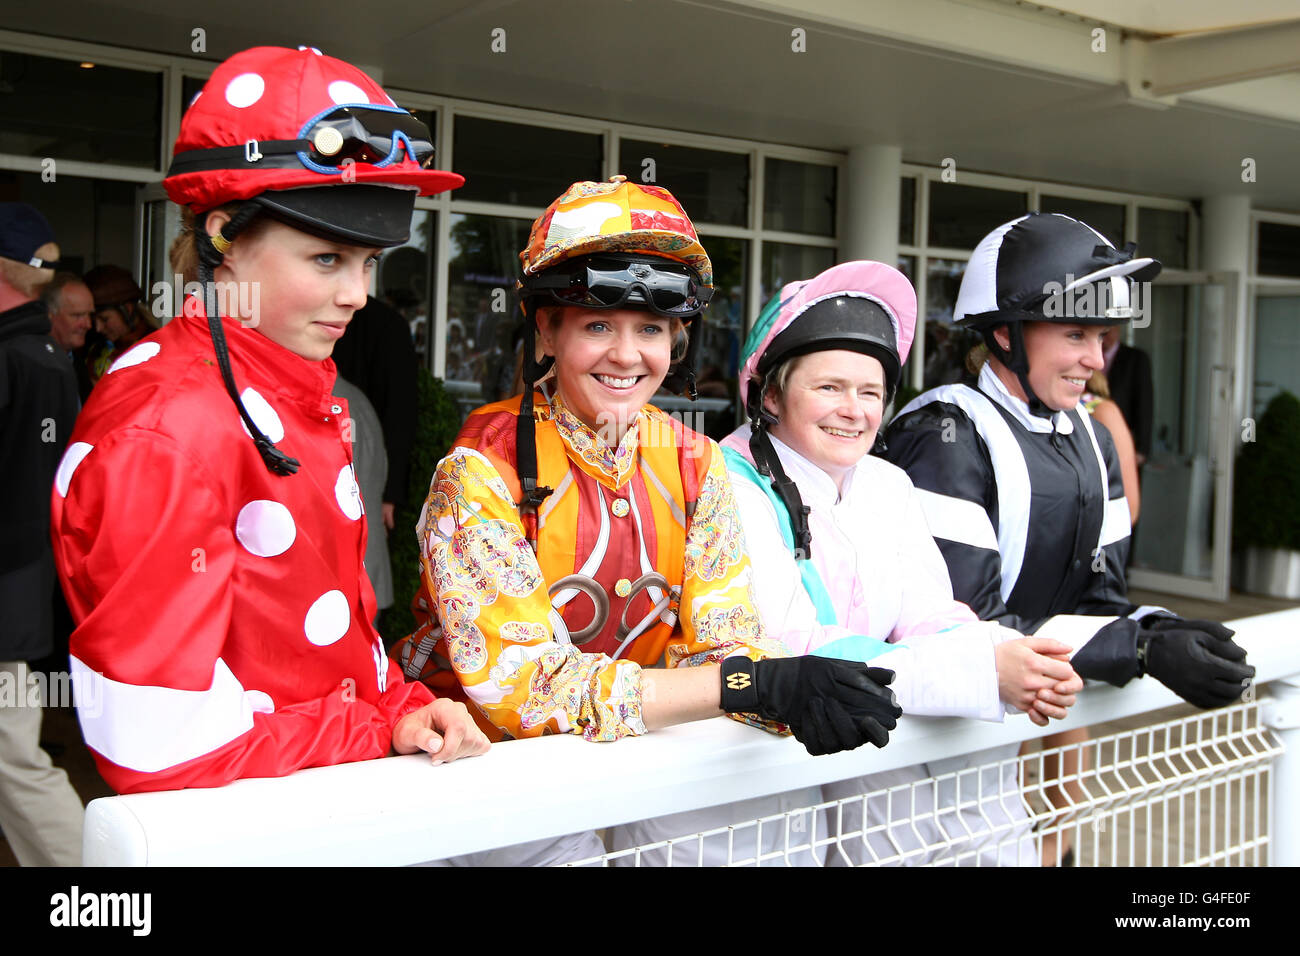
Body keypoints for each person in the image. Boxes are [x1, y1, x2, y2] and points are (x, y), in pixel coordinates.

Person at [395, 177, 902, 865]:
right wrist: (746, 686)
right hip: (488, 781)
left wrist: (790, 684)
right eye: (598, 325)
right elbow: (528, 689)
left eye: (651, 329)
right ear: (546, 330)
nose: (628, 355)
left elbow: (721, 641)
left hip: (636, 766)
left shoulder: (697, 462)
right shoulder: (479, 473)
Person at [49, 45, 489, 795]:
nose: (357, 294)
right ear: (223, 237)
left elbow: (319, 641)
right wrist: (373, 727)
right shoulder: (167, 425)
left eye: (369, 262)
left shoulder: (288, 384)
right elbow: (158, 744)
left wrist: (402, 705)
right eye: (327, 259)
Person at [616, 262, 1083, 866]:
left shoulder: (887, 482)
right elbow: (787, 640)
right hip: (716, 799)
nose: (854, 411)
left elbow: (927, 611)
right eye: (829, 388)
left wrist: (996, 652)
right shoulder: (724, 481)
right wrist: (973, 673)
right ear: (772, 394)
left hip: (827, 784)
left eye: (870, 392)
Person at [881, 213, 1254, 861]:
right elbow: (967, 626)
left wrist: (1159, 630)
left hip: (989, 758)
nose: (1094, 359)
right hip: (906, 760)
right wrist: (1136, 649)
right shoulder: (943, 434)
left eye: (1102, 337)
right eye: (1075, 334)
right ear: (1003, 332)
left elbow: (1099, 604)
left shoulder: (1092, 436)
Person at [0, 202, 85, 865]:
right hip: (18, 594)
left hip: (7, 593)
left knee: (14, 759)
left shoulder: (20, 359)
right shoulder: (44, 358)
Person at [82, 264, 157, 384]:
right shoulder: (94, 349)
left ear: (127, 309)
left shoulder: (154, 350)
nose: (98, 328)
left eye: (105, 319)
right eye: (93, 320)